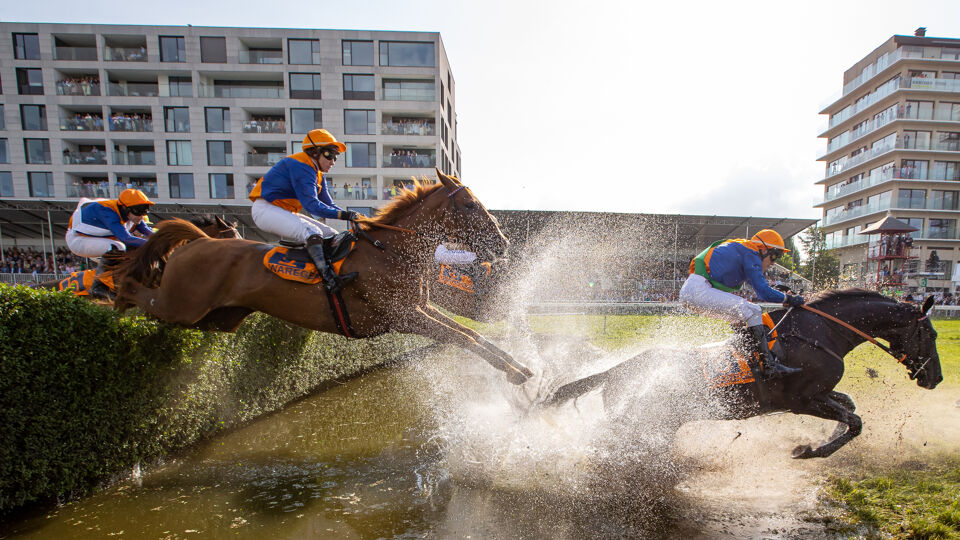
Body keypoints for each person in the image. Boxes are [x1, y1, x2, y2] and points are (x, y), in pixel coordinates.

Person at [680, 229, 804, 380]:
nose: (773, 263)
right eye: (774, 256)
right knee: (753, 310)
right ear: (763, 250)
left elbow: (760, 287)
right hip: (698, 290)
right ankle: (769, 365)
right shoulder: (751, 253)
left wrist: (782, 295)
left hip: (695, 290)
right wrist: (788, 299)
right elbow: (763, 292)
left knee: (740, 318)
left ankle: (744, 359)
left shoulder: (745, 250)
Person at [248, 128, 359, 293]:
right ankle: (329, 280)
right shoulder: (300, 165)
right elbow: (312, 206)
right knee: (312, 232)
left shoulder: (317, 173)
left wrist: (354, 217)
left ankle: (322, 270)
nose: (333, 161)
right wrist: (345, 215)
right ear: (315, 152)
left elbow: (328, 204)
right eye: (330, 155)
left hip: (282, 211)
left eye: (336, 157)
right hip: (265, 210)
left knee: (331, 234)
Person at [65, 188, 155, 299]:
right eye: (139, 212)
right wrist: (154, 244)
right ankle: (98, 287)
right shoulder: (109, 213)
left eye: (145, 212)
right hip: (78, 240)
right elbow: (126, 238)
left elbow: (148, 232)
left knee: (130, 251)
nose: (141, 216)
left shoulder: (130, 214)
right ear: (124, 208)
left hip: (96, 239)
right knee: (119, 246)